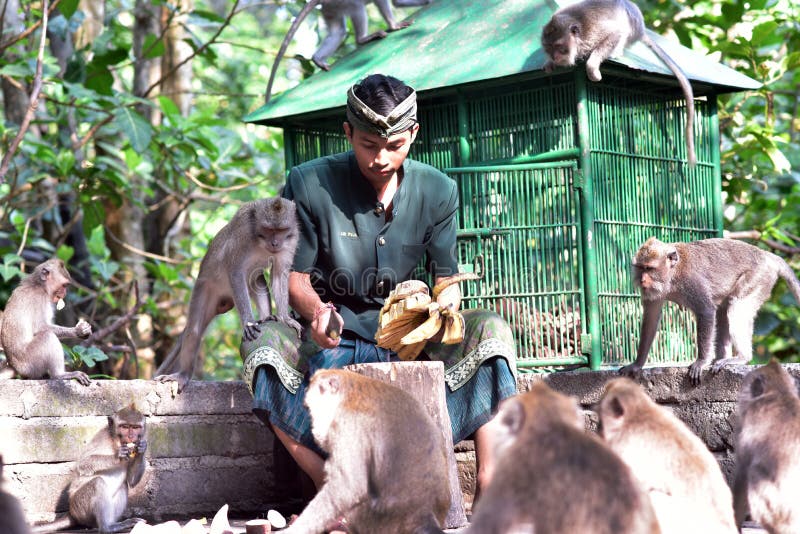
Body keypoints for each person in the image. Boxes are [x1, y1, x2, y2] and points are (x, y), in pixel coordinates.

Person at [241, 73, 517, 498]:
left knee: (491, 330)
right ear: (348, 132)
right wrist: (319, 315)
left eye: (395, 146)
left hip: (410, 335)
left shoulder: (439, 190)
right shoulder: (308, 183)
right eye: (369, 145)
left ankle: (489, 482)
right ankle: (325, 479)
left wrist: (441, 310)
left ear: (414, 135)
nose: (381, 158)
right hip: (335, 339)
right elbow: (293, 279)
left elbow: (447, 279)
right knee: (265, 342)